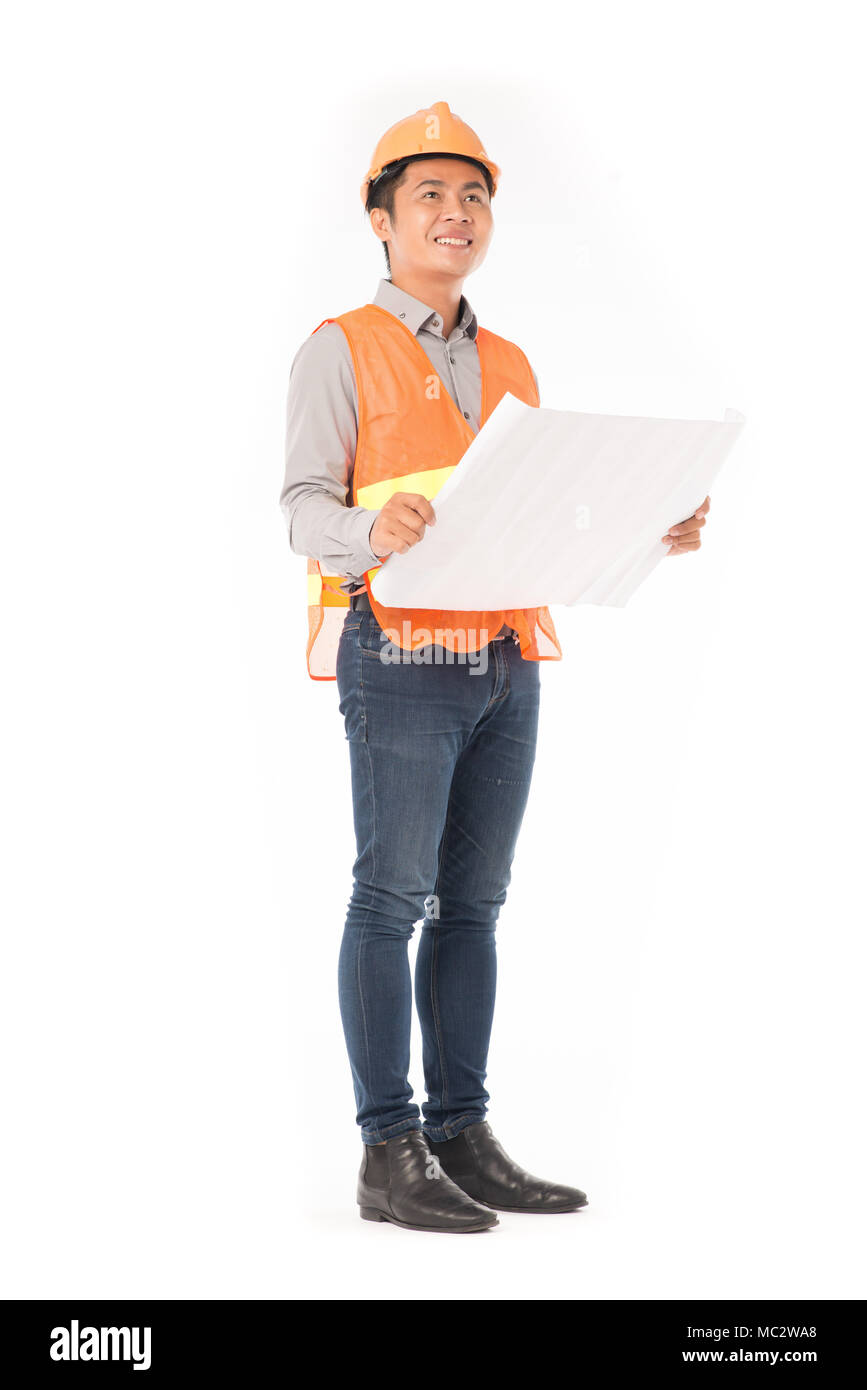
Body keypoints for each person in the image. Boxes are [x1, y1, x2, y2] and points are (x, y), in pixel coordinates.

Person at [280, 101, 710, 1233]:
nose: (456, 214)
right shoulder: (340, 348)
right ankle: (389, 1148)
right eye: (429, 194)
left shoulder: (510, 357)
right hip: (403, 654)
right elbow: (301, 508)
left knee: (473, 906)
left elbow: (536, 521)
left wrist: (643, 530)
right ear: (380, 218)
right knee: (390, 898)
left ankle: (461, 1132)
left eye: (473, 196)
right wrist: (370, 533)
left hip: (508, 659)